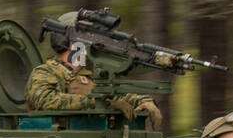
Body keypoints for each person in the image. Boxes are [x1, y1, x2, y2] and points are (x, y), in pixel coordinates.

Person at [24, 11, 163, 128]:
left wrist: (144, 101)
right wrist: (98, 103)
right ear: (68, 40)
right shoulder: (45, 72)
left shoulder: (89, 77)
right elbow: (45, 100)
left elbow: (115, 96)